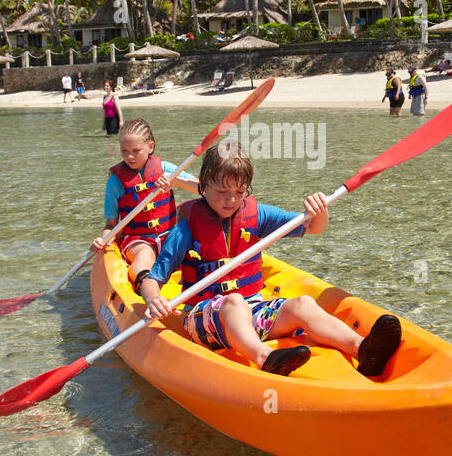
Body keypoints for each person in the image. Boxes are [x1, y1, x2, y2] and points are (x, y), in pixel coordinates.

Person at [137, 142, 403, 379]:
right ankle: (266, 359)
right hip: (202, 320)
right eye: (221, 191)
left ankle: (363, 348)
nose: (231, 200)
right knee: (233, 302)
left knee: (303, 304)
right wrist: (153, 299)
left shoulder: (256, 214)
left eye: (239, 191)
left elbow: (312, 227)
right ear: (203, 186)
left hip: (252, 312)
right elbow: (154, 279)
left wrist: (318, 211)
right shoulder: (186, 228)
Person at [92, 118, 198, 287]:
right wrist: (103, 240)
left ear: (150, 147)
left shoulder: (165, 169)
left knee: (194, 248)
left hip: (169, 236)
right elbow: (111, 226)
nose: (129, 156)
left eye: (135, 150)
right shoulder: (115, 182)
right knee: (144, 255)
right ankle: (145, 282)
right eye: (124, 150)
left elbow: (202, 188)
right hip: (138, 240)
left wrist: (177, 181)